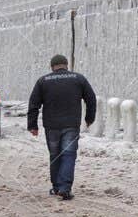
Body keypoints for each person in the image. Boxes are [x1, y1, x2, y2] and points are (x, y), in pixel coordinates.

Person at [26, 53, 97, 201]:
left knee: (55, 155)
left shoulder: (43, 81)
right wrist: (89, 118)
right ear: (66, 65)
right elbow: (91, 98)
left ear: (52, 67)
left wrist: (32, 125)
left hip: (51, 125)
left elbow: (34, 104)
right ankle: (64, 188)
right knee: (68, 155)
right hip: (71, 124)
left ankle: (57, 186)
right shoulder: (78, 78)